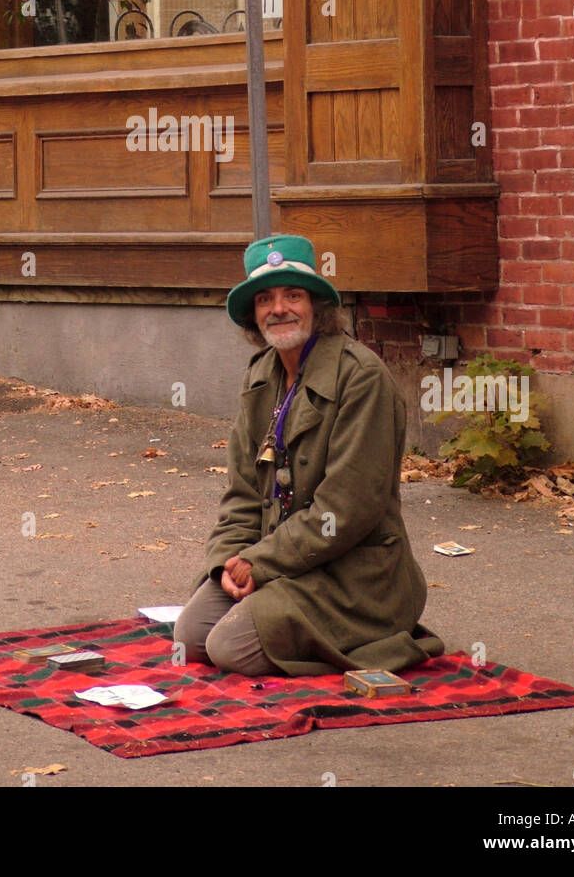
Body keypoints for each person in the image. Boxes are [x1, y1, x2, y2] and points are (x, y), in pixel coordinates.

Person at [174, 233, 445, 677]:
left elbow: (348, 508)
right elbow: (242, 492)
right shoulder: (261, 373)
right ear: (253, 314)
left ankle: (376, 637)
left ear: (317, 307)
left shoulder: (362, 378)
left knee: (228, 648)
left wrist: (259, 565)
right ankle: (276, 615)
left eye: (293, 295)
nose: (278, 309)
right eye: (265, 299)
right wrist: (228, 561)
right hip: (277, 561)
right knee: (191, 636)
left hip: (352, 576)